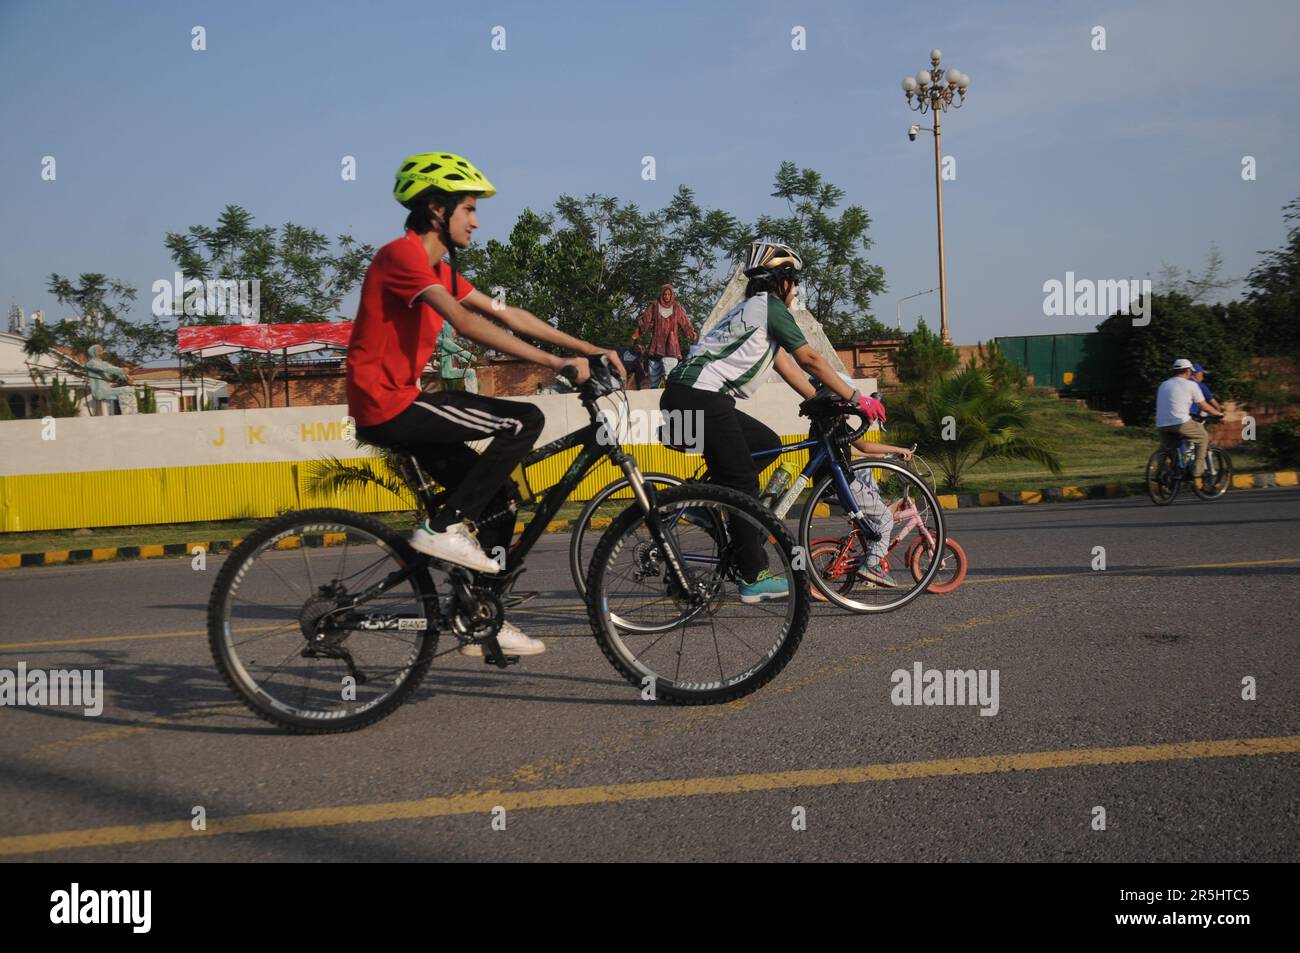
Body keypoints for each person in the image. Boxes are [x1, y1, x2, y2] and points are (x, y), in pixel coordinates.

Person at [345, 151, 624, 657]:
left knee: (502, 503)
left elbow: (507, 314)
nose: (476, 221)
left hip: (403, 405)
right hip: (387, 406)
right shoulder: (401, 257)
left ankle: (482, 619)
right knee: (525, 420)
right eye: (469, 209)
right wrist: (555, 364)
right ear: (436, 209)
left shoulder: (438, 269)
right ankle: (442, 526)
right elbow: (470, 326)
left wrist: (585, 348)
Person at [661, 241, 883, 603]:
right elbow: (810, 358)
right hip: (700, 397)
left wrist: (820, 401)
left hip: (686, 395)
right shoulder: (771, 308)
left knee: (767, 443)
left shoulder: (752, 310)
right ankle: (753, 575)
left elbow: (788, 367)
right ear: (780, 281)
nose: (796, 290)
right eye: (794, 282)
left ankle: (704, 504)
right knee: (743, 480)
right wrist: (857, 399)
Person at [806, 373, 910, 587]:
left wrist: (887, 453)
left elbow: (855, 448)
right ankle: (872, 565)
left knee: (872, 520)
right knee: (884, 517)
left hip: (827, 486)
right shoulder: (835, 421)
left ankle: (868, 559)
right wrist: (898, 449)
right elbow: (863, 446)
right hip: (842, 483)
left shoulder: (823, 421)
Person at [1156, 358, 1221, 479]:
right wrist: (1217, 414)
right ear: (1187, 371)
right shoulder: (1191, 384)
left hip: (1161, 425)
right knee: (1203, 437)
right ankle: (1197, 470)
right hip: (1180, 423)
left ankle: (1162, 473)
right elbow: (1204, 405)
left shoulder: (1163, 384)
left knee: (1170, 449)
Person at [634, 284, 696, 387]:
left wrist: (691, 332)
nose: (666, 296)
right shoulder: (654, 305)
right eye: (664, 294)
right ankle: (654, 394)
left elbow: (685, 321)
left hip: (671, 344)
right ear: (661, 294)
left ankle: (670, 393)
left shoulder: (676, 307)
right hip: (656, 343)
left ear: (672, 295)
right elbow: (646, 320)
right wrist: (637, 333)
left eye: (669, 294)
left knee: (670, 372)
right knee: (653, 372)